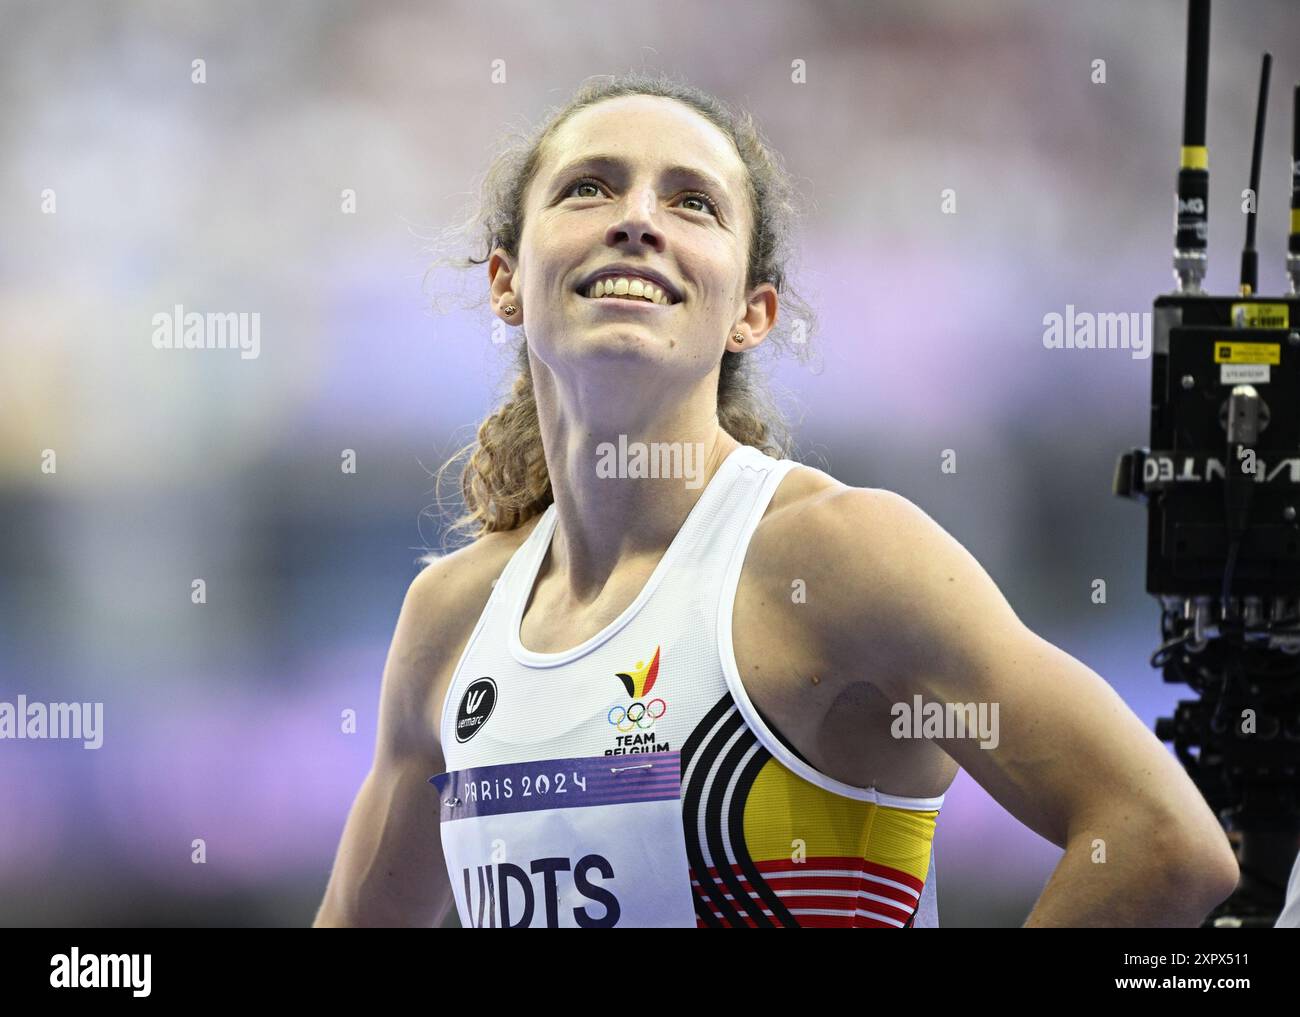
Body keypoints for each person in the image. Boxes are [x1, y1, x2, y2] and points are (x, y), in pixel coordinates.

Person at [313, 72, 1239, 929]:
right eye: (589, 186)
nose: (638, 220)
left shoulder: (838, 557)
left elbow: (1164, 841)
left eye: (693, 202)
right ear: (506, 281)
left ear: (751, 311)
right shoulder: (452, 618)